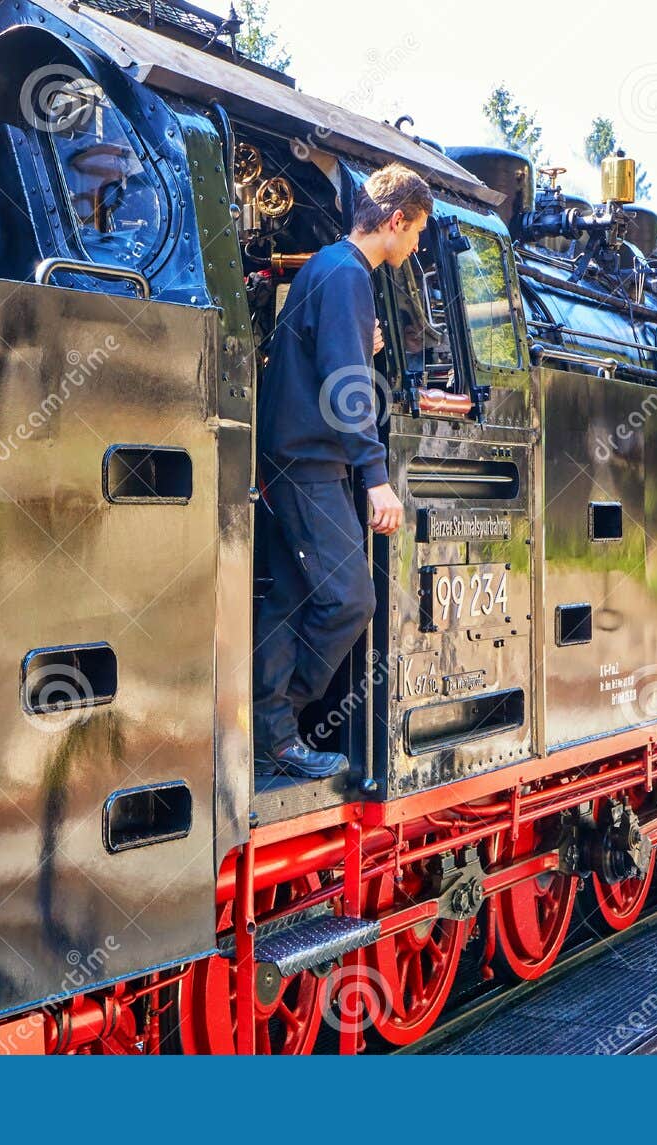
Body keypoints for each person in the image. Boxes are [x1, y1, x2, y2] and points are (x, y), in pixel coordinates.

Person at [253, 163, 433, 779]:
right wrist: (376, 475)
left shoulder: (327, 267)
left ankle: (270, 730)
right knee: (352, 599)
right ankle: (277, 723)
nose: (415, 248)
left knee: (289, 596)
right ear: (395, 220)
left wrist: (364, 345)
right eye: (416, 235)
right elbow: (345, 385)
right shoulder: (350, 277)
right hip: (309, 461)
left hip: (291, 456)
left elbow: (325, 356)